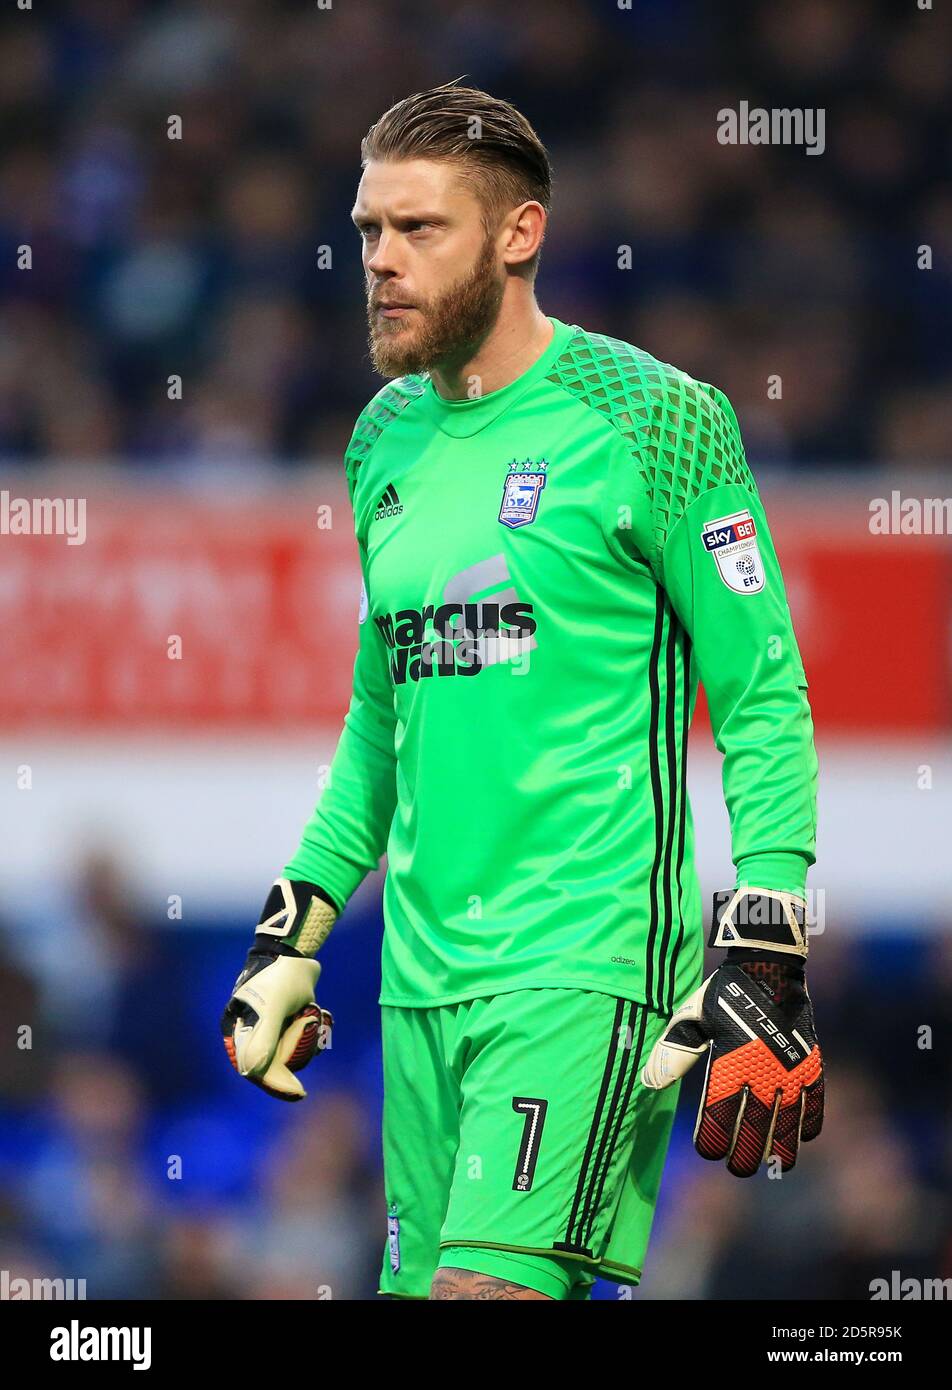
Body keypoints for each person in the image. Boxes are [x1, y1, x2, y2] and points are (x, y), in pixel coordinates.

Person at [222, 82, 824, 1302]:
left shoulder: (658, 420)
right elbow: (378, 719)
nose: (380, 263)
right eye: (367, 231)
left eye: (419, 230)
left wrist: (767, 924)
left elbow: (761, 688)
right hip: (420, 978)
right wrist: (295, 929)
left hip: (586, 963)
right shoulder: (380, 436)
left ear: (518, 234)